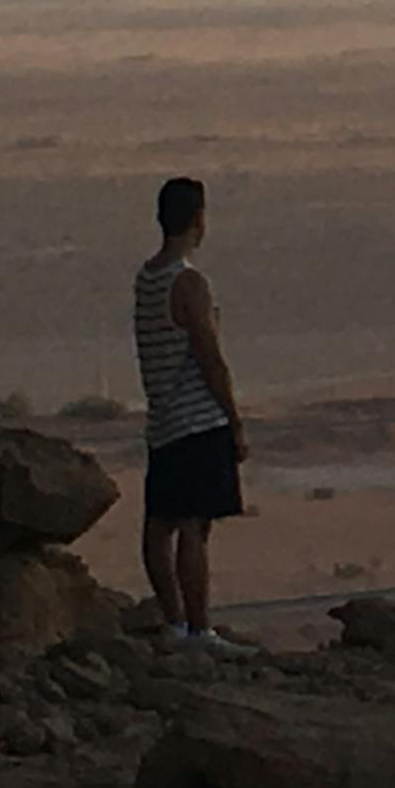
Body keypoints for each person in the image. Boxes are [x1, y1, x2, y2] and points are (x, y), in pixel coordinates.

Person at [134, 176, 250, 647]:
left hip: (163, 421)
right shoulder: (188, 283)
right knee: (193, 528)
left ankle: (174, 621)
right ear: (198, 219)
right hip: (198, 422)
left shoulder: (147, 278)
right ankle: (199, 628)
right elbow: (209, 357)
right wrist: (234, 419)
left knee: (159, 524)